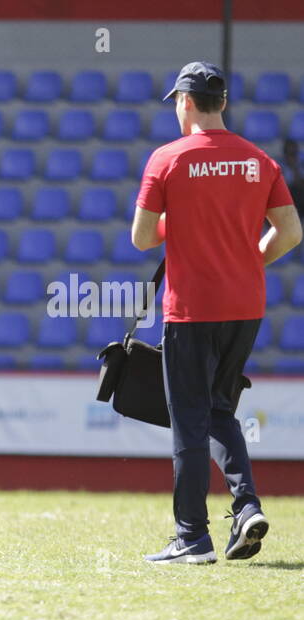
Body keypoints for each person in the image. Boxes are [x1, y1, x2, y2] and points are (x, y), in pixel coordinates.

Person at [132, 61, 302, 564]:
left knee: (188, 419)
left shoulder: (167, 159)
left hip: (191, 309)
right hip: (245, 306)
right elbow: (291, 233)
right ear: (222, 103)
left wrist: (175, 223)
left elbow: (141, 238)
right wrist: (250, 258)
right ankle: (246, 506)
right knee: (220, 410)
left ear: (184, 103)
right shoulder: (259, 161)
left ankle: (191, 537)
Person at [281, 139, 304, 211]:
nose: (292, 157)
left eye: (294, 153)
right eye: (290, 153)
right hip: (287, 199)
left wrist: (294, 168)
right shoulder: (279, 168)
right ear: (285, 154)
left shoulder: (301, 165)